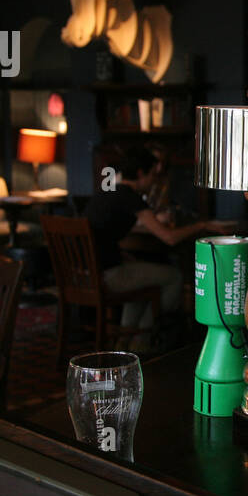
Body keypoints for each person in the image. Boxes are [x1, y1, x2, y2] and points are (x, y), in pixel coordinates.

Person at [85, 147, 202, 351]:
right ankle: (143, 338)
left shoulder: (106, 191)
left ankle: (125, 341)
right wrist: (202, 225)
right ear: (141, 174)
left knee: (140, 281)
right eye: (152, 175)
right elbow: (169, 238)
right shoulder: (130, 196)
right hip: (107, 276)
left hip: (85, 274)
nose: (154, 181)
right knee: (173, 276)